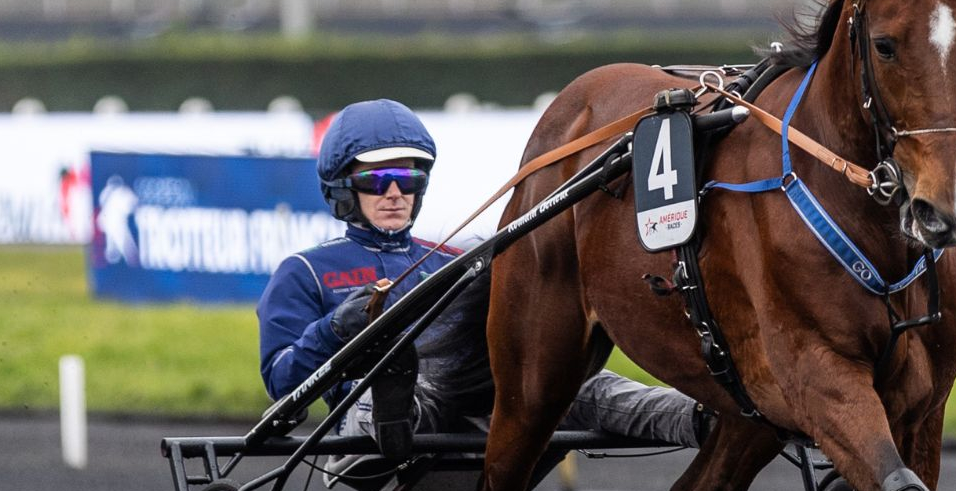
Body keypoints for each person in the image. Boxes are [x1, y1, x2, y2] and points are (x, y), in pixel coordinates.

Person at [257, 98, 707, 448]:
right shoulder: (304, 272)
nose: (395, 193)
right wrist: (335, 330)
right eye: (376, 181)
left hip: (477, 391)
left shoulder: (450, 260)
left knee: (578, 381)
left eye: (408, 180)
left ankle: (708, 419)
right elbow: (281, 381)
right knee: (384, 390)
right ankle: (394, 402)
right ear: (341, 188)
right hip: (374, 412)